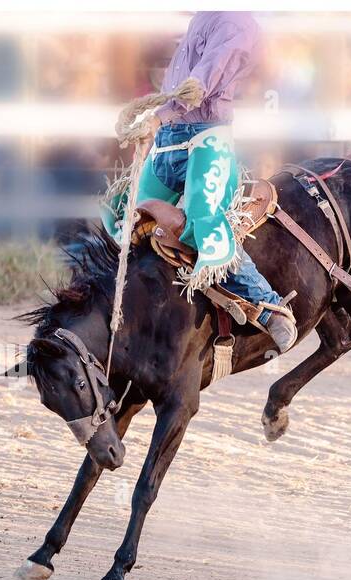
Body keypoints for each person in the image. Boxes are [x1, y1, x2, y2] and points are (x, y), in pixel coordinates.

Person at [107, 12, 297, 352]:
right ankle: (120, 303)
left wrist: (158, 117)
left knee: (205, 222)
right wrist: (159, 121)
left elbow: (202, 81)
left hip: (206, 140)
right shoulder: (203, 17)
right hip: (171, 138)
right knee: (124, 211)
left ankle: (269, 307)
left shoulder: (236, 24)